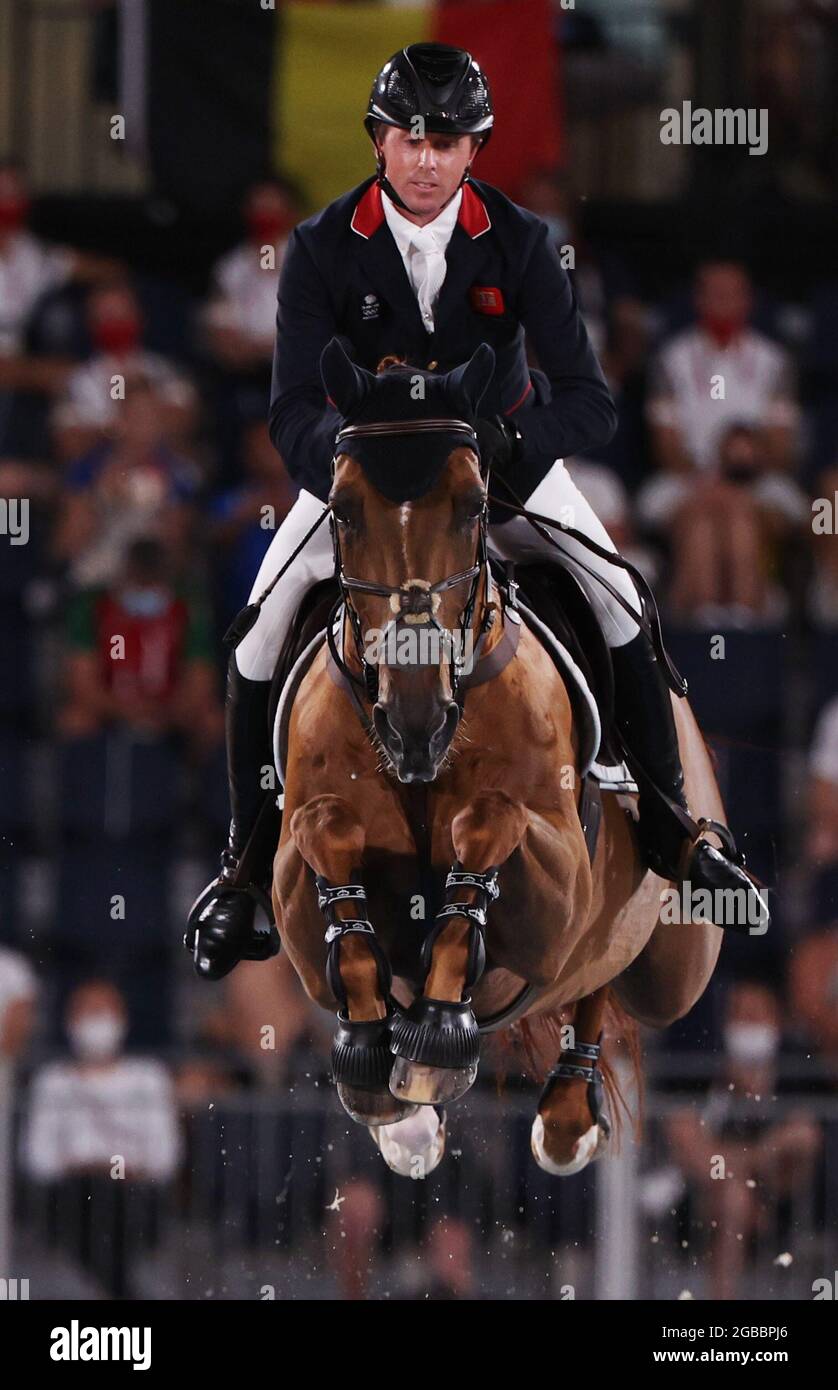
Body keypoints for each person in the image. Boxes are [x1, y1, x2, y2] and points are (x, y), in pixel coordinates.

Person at [186, 42, 765, 980]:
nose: (426, 157)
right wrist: (352, 468)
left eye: (447, 140)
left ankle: (673, 828)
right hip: (368, 489)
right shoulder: (324, 246)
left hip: (496, 477)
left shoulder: (524, 242)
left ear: (473, 150)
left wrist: (510, 450)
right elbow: (291, 407)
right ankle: (246, 871)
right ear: (379, 141)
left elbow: (590, 398)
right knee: (258, 635)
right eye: (410, 137)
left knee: (622, 598)